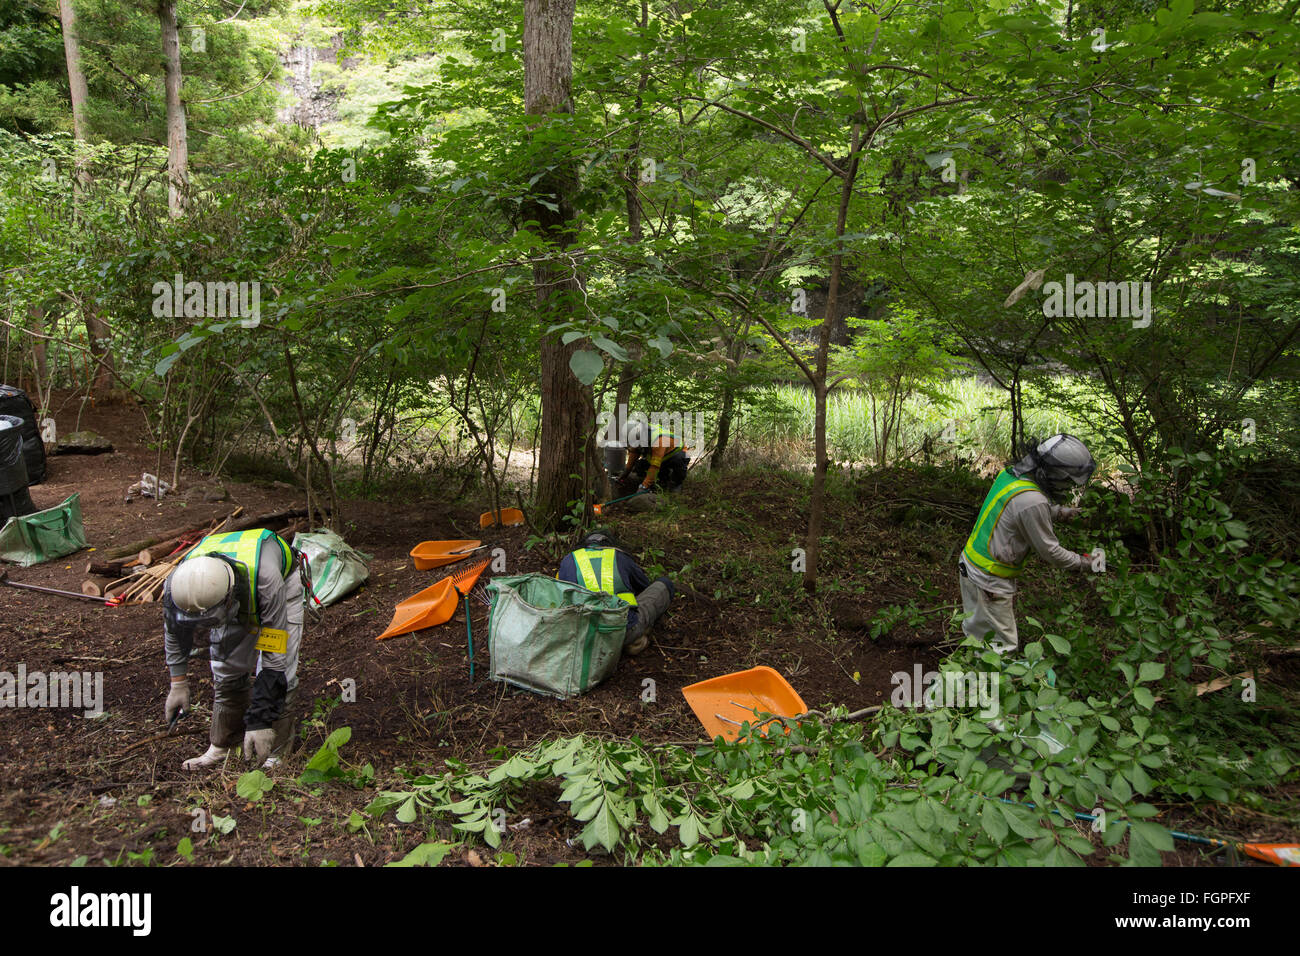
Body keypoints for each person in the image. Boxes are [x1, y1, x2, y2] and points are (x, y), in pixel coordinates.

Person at [162, 528, 307, 770]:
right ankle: (224, 745)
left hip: (282, 588)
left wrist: (260, 720)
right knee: (226, 669)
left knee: (282, 673)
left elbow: (274, 655)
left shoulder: (266, 580)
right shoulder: (179, 585)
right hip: (227, 596)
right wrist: (177, 682)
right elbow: (173, 632)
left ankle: (275, 753)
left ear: (228, 599)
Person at [958, 433, 1100, 654]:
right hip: (990, 580)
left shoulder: (1011, 476)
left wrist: (1060, 513)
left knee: (977, 636)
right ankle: (985, 685)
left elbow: (1018, 508)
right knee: (1001, 648)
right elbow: (1050, 551)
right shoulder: (1033, 501)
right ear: (1054, 474)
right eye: (1067, 481)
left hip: (971, 566)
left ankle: (970, 672)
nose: (1067, 487)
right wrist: (1086, 562)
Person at [556, 530, 673, 655]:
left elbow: (558, 595)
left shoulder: (568, 560)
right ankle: (632, 640)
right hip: (623, 629)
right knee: (664, 584)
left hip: (581, 636)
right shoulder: (620, 555)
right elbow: (644, 585)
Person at [616, 426, 689, 495]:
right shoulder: (638, 436)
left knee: (679, 461)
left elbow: (654, 466)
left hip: (676, 453)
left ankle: (676, 483)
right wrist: (624, 474)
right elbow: (632, 458)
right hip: (661, 457)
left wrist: (644, 486)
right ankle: (661, 479)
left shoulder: (659, 441)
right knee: (640, 466)